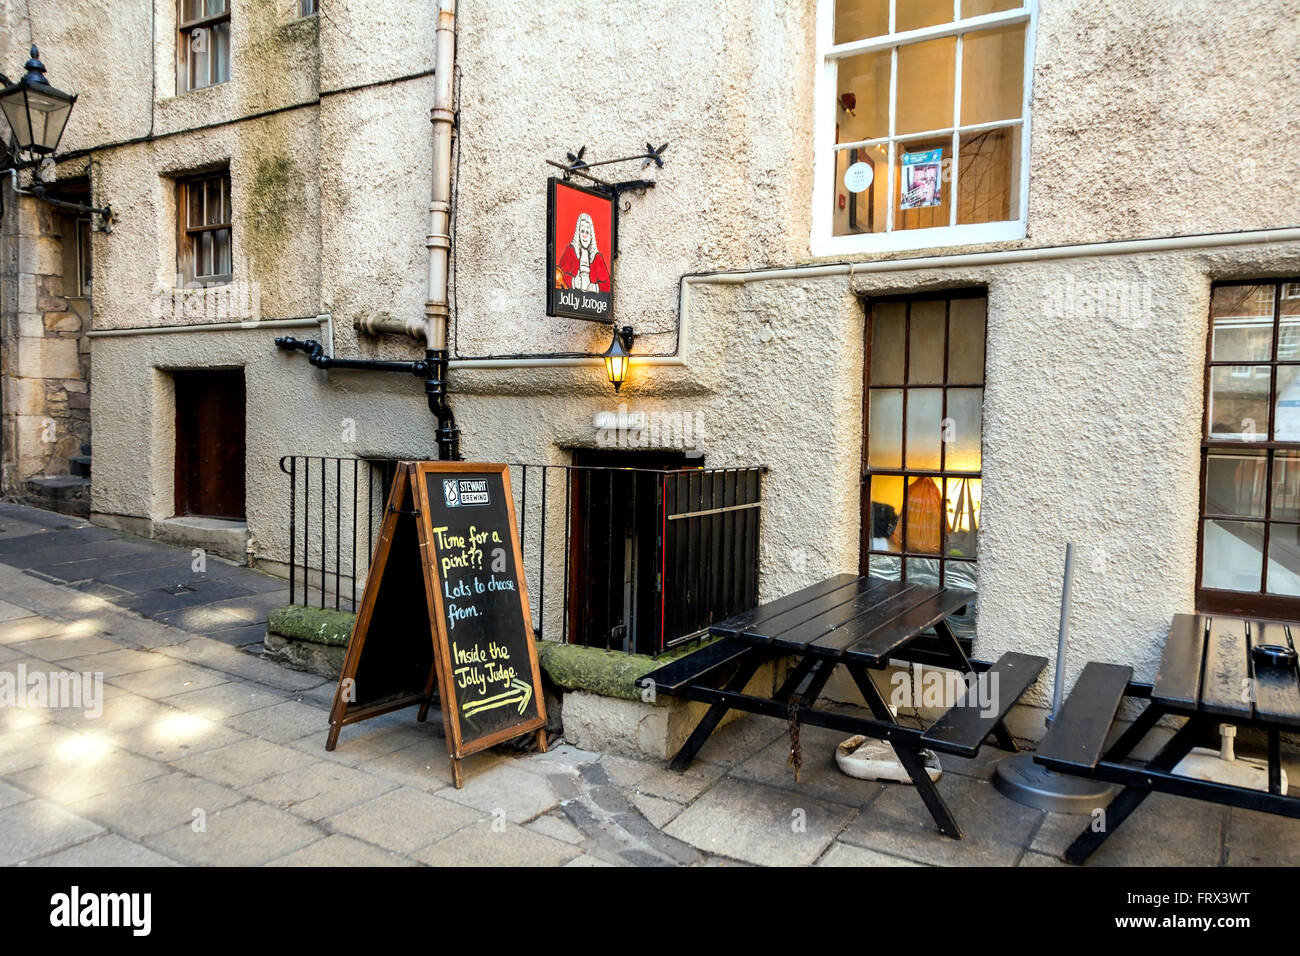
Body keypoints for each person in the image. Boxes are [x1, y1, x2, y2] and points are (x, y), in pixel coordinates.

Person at [556, 213, 610, 292]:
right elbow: (560, 275)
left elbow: (608, 284)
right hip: (572, 298)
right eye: (582, 231)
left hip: (592, 300)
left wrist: (595, 287)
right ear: (578, 233)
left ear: (591, 235)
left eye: (587, 232)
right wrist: (573, 282)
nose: (585, 235)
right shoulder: (570, 251)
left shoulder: (597, 258)